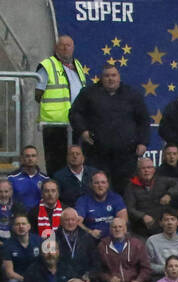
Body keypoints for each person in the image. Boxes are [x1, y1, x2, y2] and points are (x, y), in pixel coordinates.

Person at [67, 65, 149, 195]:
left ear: (119, 77)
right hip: (97, 153)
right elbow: (75, 113)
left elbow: (143, 120)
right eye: (107, 76)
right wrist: (83, 131)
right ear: (101, 78)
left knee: (126, 189)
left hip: (126, 155)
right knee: (98, 186)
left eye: (113, 75)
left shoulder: (132, 94)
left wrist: (143, 142)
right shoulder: (88, 93)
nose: (110, 79)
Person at [34, 36, 89, 177]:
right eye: (62, 45)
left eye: (68, 45)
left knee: (76, 163)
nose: (65, 48)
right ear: (56, 48)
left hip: (75, 124)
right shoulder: (47, 65)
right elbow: (37, 94)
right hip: (55, 124)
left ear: (73, 48)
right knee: (56, 164)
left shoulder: (77, 65)